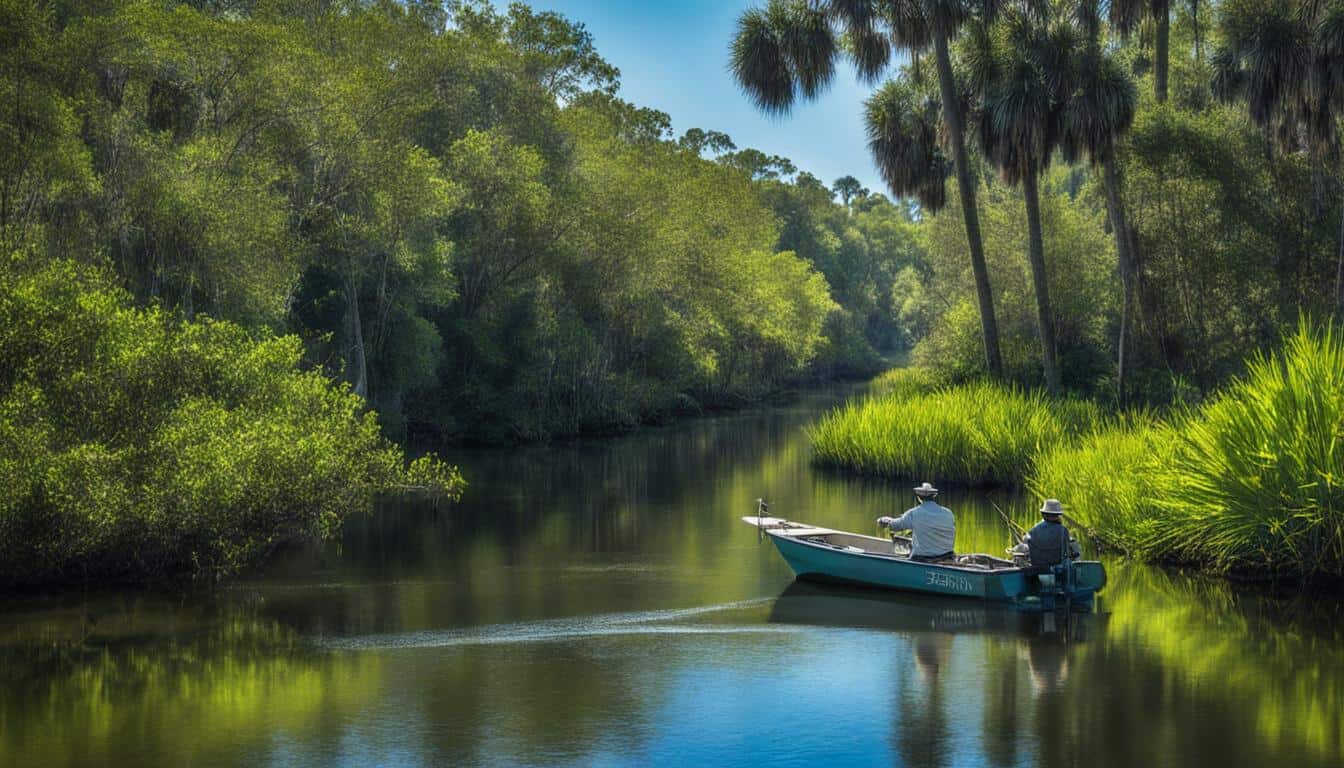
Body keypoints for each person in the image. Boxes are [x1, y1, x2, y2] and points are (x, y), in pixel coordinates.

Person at [877, 482, 955, 562]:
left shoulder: (914, 513)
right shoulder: (948, 513)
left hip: (923, 558)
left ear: (918, 497)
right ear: (934, 496)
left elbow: (896, 526)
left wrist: (885, 520)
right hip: (947, 556)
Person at [1017, 499, 1081, 567]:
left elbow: (1025, 543)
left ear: (1044, 515)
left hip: (1037, 567)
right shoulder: (1064, 530)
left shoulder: (1033, 530)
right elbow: (1067, 552)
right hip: (1057, 568)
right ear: (1058, 515)